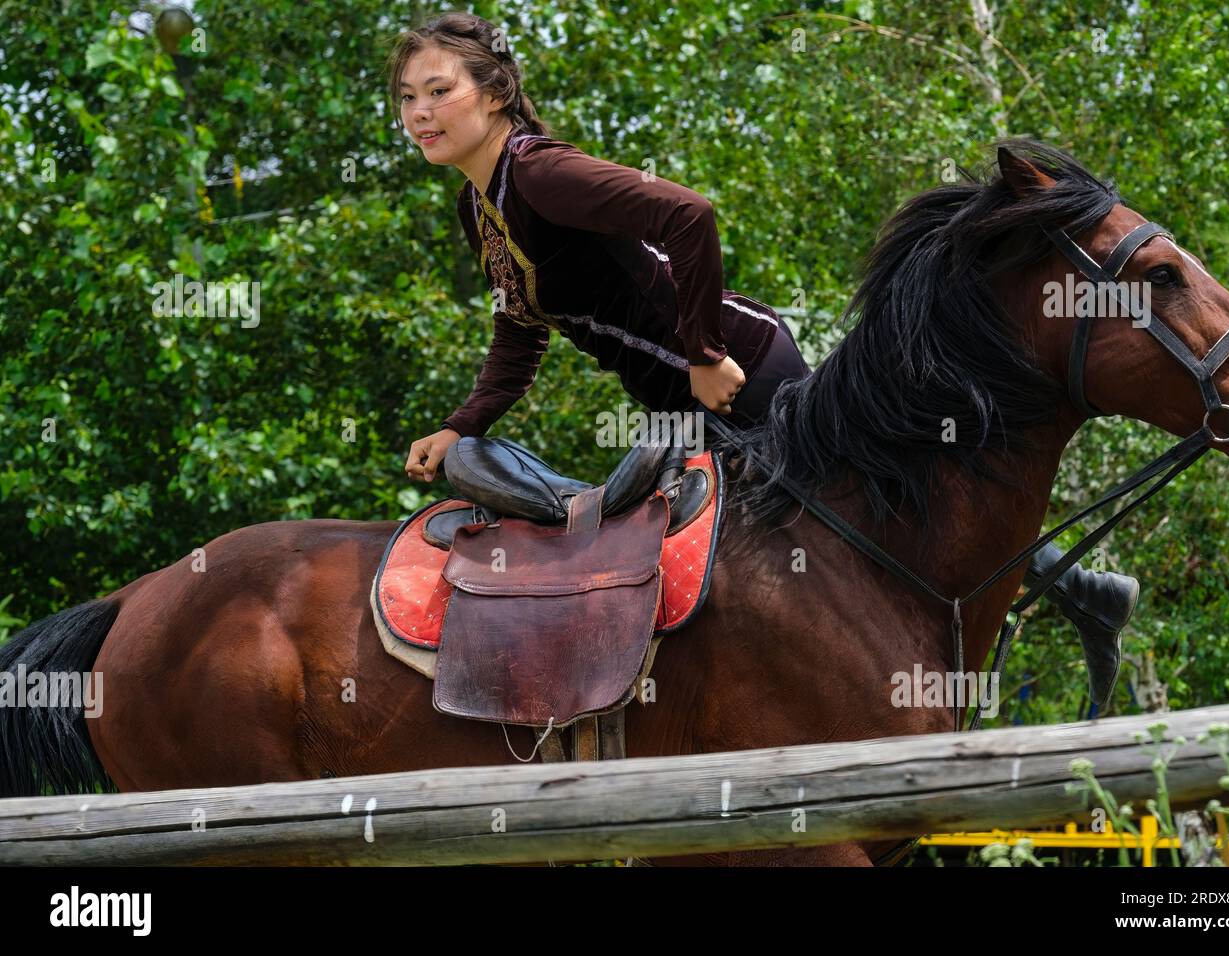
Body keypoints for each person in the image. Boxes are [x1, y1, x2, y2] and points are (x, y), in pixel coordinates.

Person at [386, 12, 1137, 706]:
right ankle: (1085, 593)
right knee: (828, 520)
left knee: (864, 516)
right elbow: (521, 331)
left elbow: (689, 214)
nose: (419, 112)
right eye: (407, 97)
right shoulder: (481, 206)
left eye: (438, 91)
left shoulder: (543, 174)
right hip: (678, 394)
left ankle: (1058, 607)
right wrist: (462, 426)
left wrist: (705, 354)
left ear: (495, 92)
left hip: (739, 361)